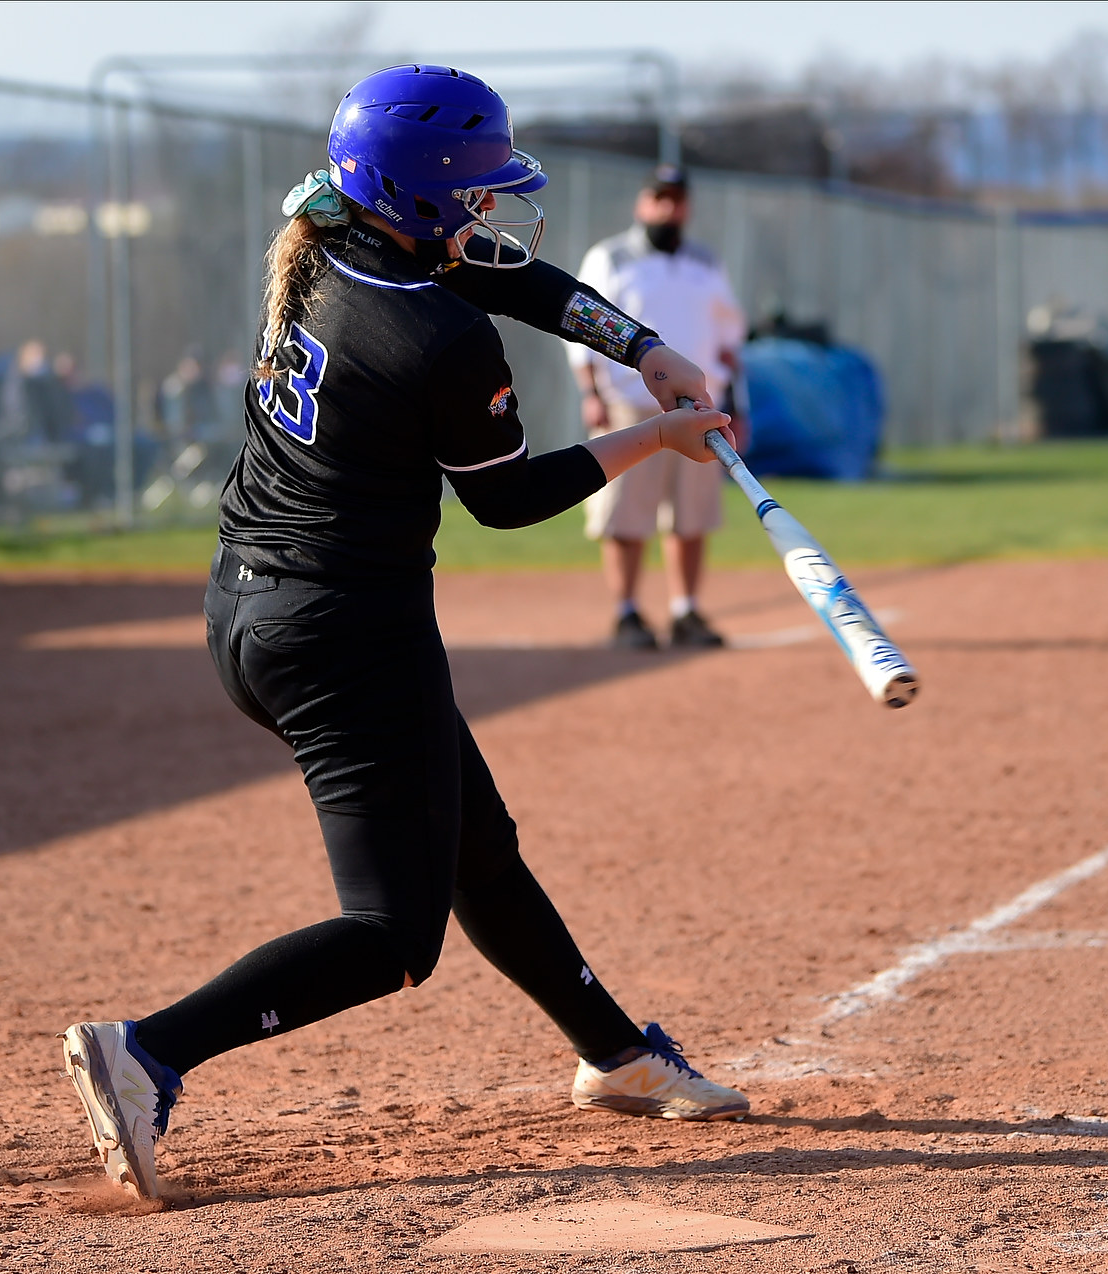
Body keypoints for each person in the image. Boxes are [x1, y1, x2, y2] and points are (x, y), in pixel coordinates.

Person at [59, 65, 750, 1202]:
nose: (487, 207)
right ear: (419, 194)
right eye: (471, 189)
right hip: (346, 639)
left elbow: (503, 274)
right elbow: (506, 500)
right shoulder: (436, 336)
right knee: (392, 933)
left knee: (475, 841)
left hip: (247, 607)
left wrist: (641, 348)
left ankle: (616, 1053)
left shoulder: (327, 231)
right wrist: (653, 433)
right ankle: (147, 1052)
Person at [569, 166, 746, 649]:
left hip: (699, 406)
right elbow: (582, 331)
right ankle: (626, 612)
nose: (668, 208)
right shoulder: (611, 257)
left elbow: (729, 341)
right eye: (659, 198)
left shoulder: (705, 263)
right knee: (626, 514)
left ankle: (685, 610)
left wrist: (736, 403)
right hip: (630, 404)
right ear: (642, 203)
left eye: (677, 199)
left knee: (692, 515)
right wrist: (591, 392)